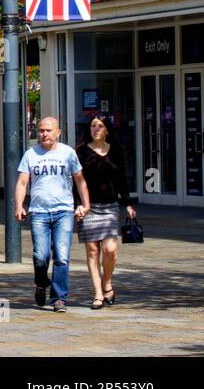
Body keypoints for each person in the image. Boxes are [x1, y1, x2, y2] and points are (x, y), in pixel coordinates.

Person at [15, 116, 91, 312]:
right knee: (41, 256)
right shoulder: (30, 154)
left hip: (63, 211)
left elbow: (80, 180)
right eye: (41, 130)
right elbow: (22, 183)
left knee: (62, 256)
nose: (44, 134)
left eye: (49, 130)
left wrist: (86, 204)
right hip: (39, 212)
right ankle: (41, 283)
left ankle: (59, 298)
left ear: (58, 132)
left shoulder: (68, 153)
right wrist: (19, 205)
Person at [77, 117, 136, 308]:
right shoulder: (81, 152)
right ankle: (97, 293)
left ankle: (107, 282)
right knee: (93, 251)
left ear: (107, 130)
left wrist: (127, 203)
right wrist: (78, 204)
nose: (96, 129)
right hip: (89, 207)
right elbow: (75, 181)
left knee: (110, 250)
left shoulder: (116, 151)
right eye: (93, 125)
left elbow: (121, 179)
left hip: (110, 206)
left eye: (100, 126)